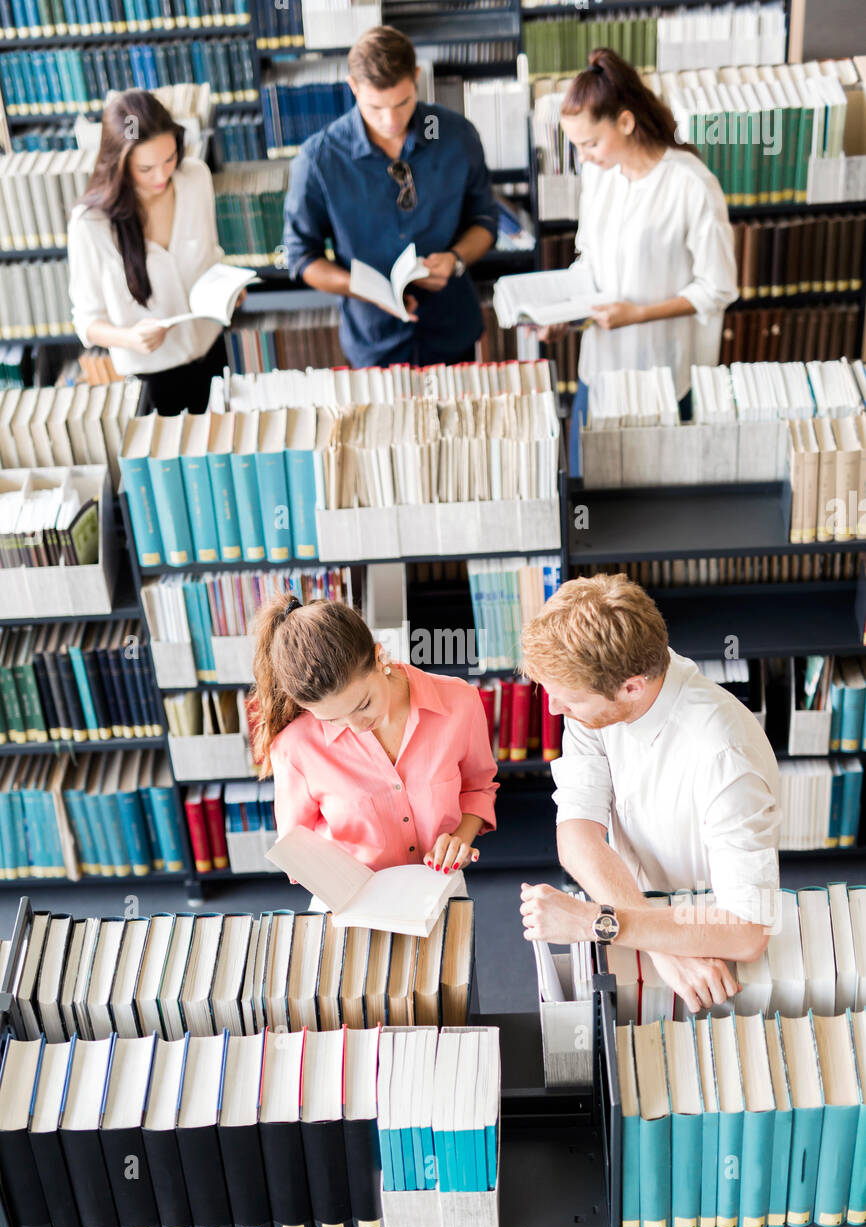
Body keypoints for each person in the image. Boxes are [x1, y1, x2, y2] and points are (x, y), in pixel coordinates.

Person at [517, 574, 781, 1014]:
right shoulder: (596, 691)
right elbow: (578, 837)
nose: (553, 710)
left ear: (632, 687)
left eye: (569, 701)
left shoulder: (725, 756)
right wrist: (656, 945)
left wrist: (595, 923)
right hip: (646, 926)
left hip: (710, 940)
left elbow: (747, 930)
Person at [539, 49, 738, 473]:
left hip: (663, 375)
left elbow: (718, 288)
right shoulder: (599, 175)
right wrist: (564, 314)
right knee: (594, 492)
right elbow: (589, 261)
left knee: (659, 505)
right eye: (577, 146)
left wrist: (639, 314)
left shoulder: (691, 184)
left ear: (626, 122)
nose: (584, 157)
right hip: (599, 370)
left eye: (590, 143)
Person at [282, 25, 499, 369]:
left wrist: (456, 259)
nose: (392, 120)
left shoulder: (451, 134)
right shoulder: (319, 159)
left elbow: (486, 219)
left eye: (403, 102)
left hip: (452, 328)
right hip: (373, 340)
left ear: (416, 78)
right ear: (353, 88)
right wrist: (362, 289)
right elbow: (300, 257)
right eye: (375, 107)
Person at [252, 594, 499, 876]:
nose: (356, 726)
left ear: (380, 657)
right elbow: (296, 851)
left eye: (363, 704)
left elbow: (478, 788)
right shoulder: (294, 747)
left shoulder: (459, 702)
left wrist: (458, 841)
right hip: (350, 899)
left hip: (437, 887)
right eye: (333, 720)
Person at [68, 89, 231, 415]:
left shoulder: (196, 177)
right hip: (150, 374)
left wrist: (228, 290)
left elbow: (211, 255)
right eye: (146, 168)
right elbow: (86, 321)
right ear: (119, 164)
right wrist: (129, 338)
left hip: (211, 352)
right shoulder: (91, 224)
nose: (162, 175)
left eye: (169, 158)